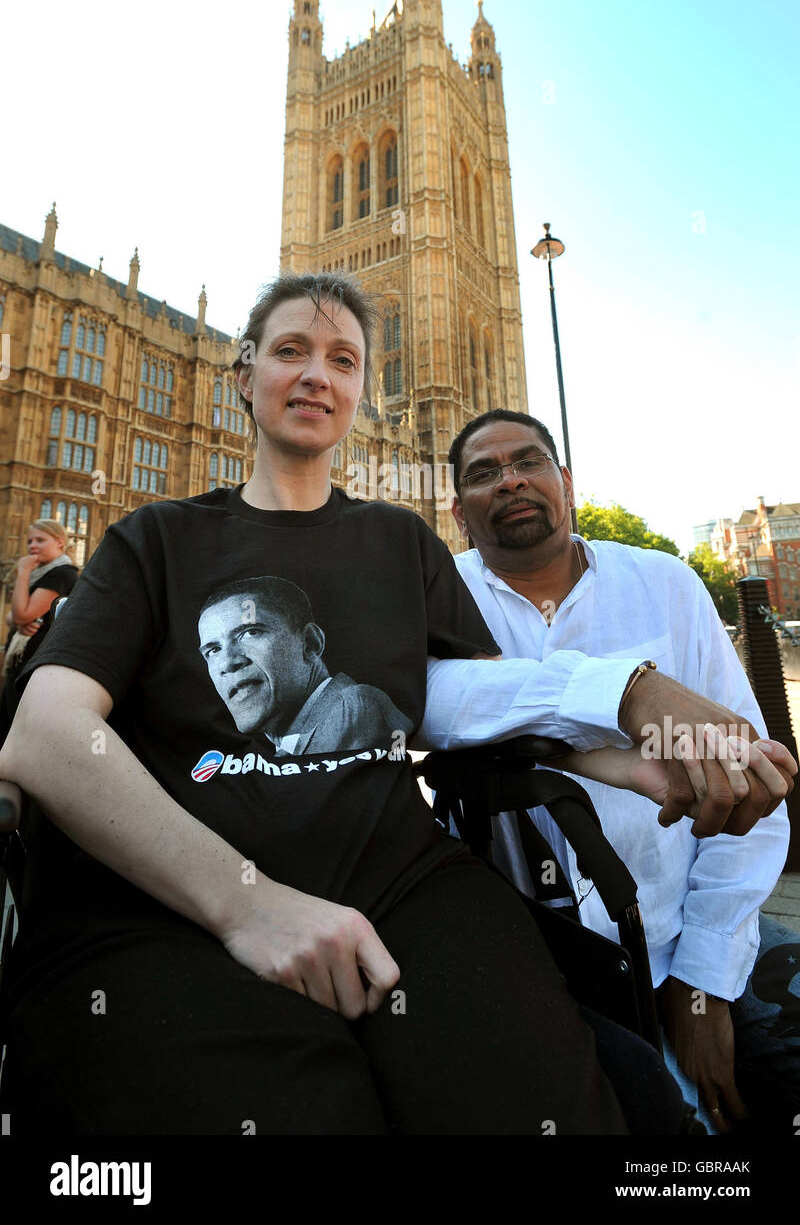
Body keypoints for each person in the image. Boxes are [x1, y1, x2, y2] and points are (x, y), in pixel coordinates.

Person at [0, 274, 787, 1137]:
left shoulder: (401, 543)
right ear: (241, 374)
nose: (315, 376)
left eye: (342, 359)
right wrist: (248, 902)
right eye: (290, 350)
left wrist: (616, 750)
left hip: (402, 885)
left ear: (364, 390)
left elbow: (472, 699)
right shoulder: (154, 538)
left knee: (542, 1105)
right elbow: (44, 736)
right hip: (176, 908)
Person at [432, 405, 798, 1134]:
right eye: (483, 473)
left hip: (681, 930)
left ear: (567, 482)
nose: (510, 481)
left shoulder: (665, 583)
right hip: (529, 959)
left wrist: (703, 982)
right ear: (457, 510)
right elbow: (434, 701)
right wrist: (630, 689)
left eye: (528, 462)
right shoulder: (438, 594)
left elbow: (751, 804)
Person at [198, 575, 410, 755]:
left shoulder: (353, 707)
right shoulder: (294, 741)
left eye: (251, 632)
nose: (227, 662)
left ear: (310, 643)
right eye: (213, 650)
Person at [0, 519, 78, 744]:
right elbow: (13, 617)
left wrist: (22, 572)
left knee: (16, 735)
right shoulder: (44, 573)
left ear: (59, 543)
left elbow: (20, 615)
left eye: (40, 540)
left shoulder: (61, 574)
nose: (32, 546)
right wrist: (18, 619)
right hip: (20, 665)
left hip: (32, 668)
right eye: (29, 541)